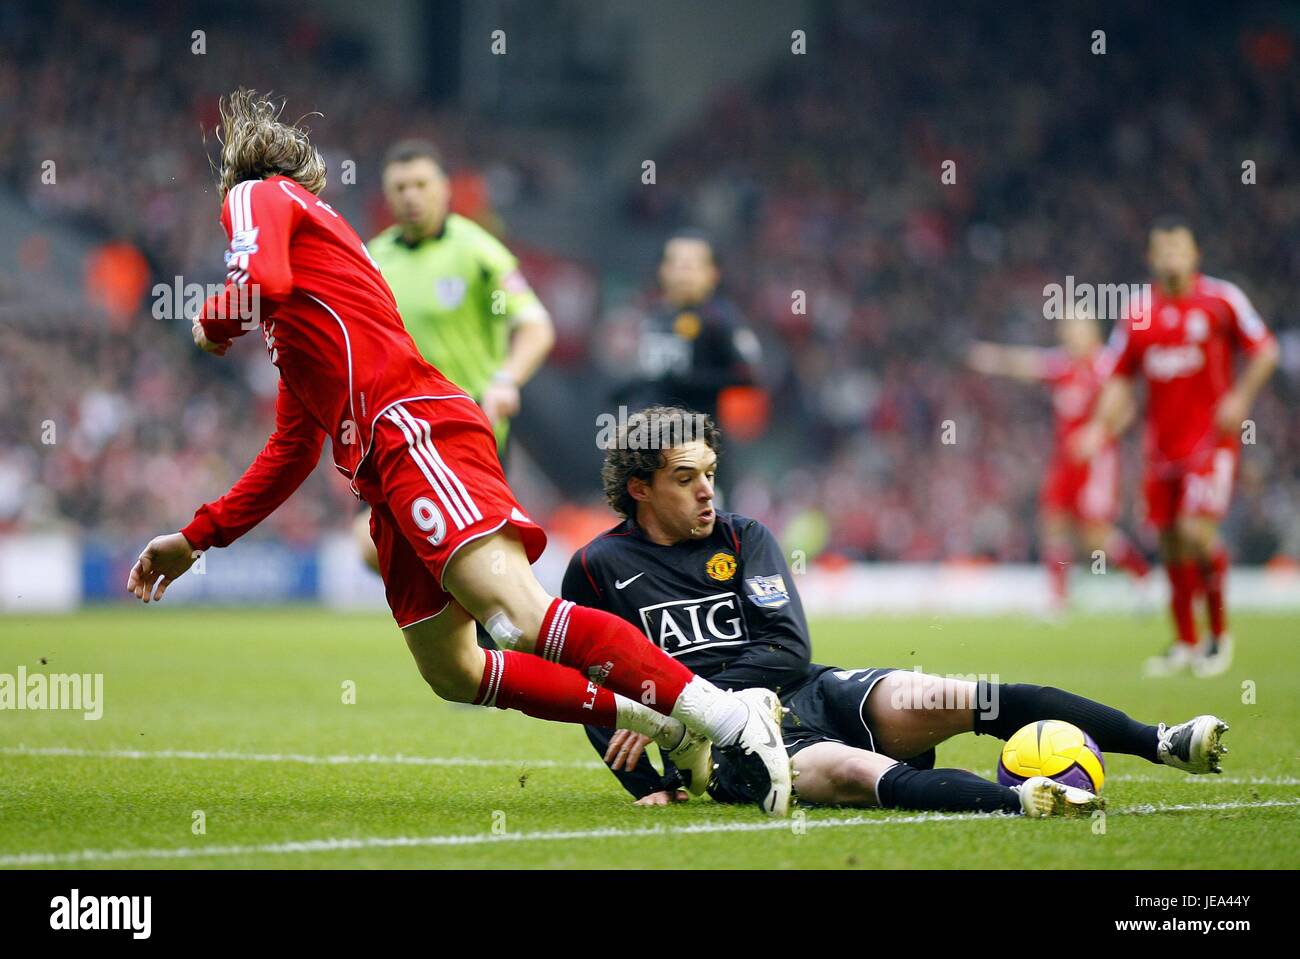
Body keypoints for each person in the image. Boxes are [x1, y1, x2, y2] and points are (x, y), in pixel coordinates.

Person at [124, 90, 793, 817]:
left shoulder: (256, 192)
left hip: (416, 427)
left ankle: (729, 716)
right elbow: (290, 450)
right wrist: (197, 537)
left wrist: (212, 322)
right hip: (387, 465)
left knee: (521, 612)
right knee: (455, 668)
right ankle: (663, 720)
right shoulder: (306, 318)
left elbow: (257, 281)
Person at [565, 405, 1229, 816]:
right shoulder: (597, 568)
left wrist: (684, 698)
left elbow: (788, 648)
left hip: (807, 688)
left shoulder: (744, 537)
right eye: (686, 479)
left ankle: (1162, 742)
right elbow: (580, 677)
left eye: (711, 471)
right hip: (740, 746)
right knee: (856, 773)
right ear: (640, 488)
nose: (708, 490)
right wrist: (646, 779)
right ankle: (1023, 800)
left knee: (956, 695)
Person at [1076, 217, 1279, 677]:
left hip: (1210, 442)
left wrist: (1239, 398)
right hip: (1160, 449)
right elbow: (1117, 379)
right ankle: (1186, 642)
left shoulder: (1222, 299)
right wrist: (1096, 429)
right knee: (1168, 544)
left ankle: (1218, 637)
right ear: (1151, 258)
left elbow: (1265, 350)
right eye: (1162, 250)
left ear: (1194, 255)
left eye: (1179, 249)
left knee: (1195, 533)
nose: (1171, 257)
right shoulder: (1137, 312)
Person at [353, 140, 554, 573]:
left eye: (421, 184)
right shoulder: (371, 260)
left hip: (470, 429)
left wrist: (507, 379)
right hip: (399, 432)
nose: (411, 196)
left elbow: (537, 327)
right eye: (400, 187)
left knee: (480, 560)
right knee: (369, 546)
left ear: (445, 189)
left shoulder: (478, 252)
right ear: (387, 196)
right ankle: (466, 619)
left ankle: (503, 628)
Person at [968, 311, 1149, 613]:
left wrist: (1099, 434)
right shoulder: (1063, 365)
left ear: (1092, 333)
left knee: (1095, 534)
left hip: (1096, 461)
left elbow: (1127, 408)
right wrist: (993, 358)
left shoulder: (1106, 365)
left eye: (1077, 330)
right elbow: (1027, 364)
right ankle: (1058, 598)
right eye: (1067, 330)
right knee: (1054, 522)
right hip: (1065, 459)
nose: (1070, 336)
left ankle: (1142, 578)